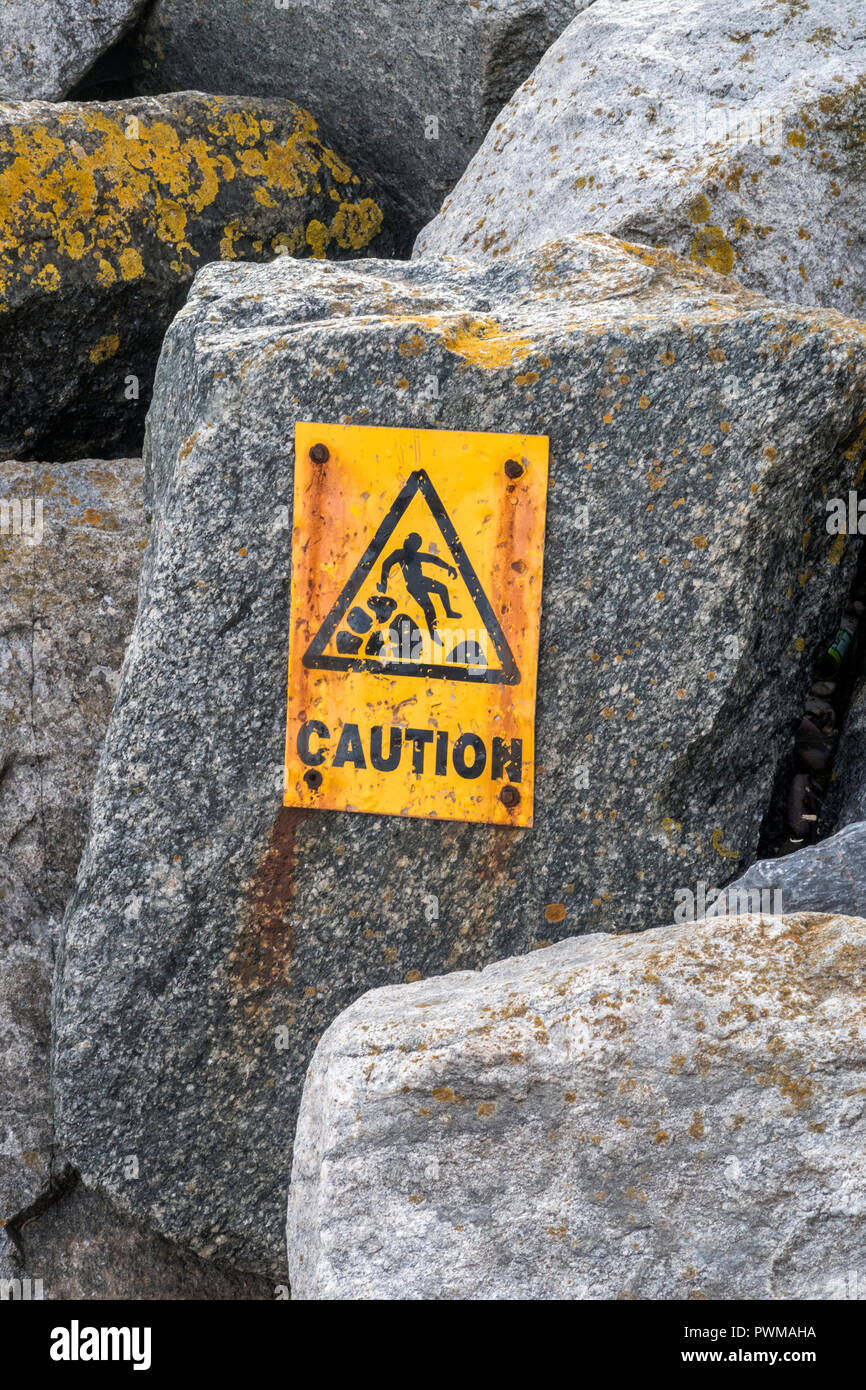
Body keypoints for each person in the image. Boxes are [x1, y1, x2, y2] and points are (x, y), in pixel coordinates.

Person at [378, 532, 461, 643]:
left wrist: (449, 567)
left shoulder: (415, 554)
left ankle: (449, 612)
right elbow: (386, 564)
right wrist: (384, 583)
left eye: (414, 542)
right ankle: (432, 633)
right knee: (429, 608)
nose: (407, 542)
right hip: (413, 585)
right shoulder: (400, 554)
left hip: (421, 580)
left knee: (442, 588)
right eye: (408, 540)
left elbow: (432, 559)